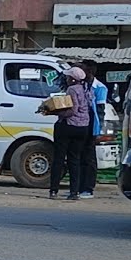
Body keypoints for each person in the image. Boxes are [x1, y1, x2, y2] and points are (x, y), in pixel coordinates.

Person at [43, 66, 92, 200]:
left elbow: (72, 110)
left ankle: (54, 190)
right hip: (83, 127)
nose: (66, 78)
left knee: (59, 159)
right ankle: (74, 192)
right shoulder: (86, 88)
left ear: (72, 78)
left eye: (68, 76)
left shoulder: (72, 89)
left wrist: (55, 112)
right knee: (74, 160)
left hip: (69, 126)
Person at [80, 60, 108, 199]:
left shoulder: (100, 87)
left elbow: (100, 110)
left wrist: (99, 130)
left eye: (83, 69)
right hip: (81, 125)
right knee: (79, 157)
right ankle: (79, 187)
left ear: (89, 71)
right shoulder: (81, 85)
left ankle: (88, 188)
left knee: (89, 159)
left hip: (92, 125)